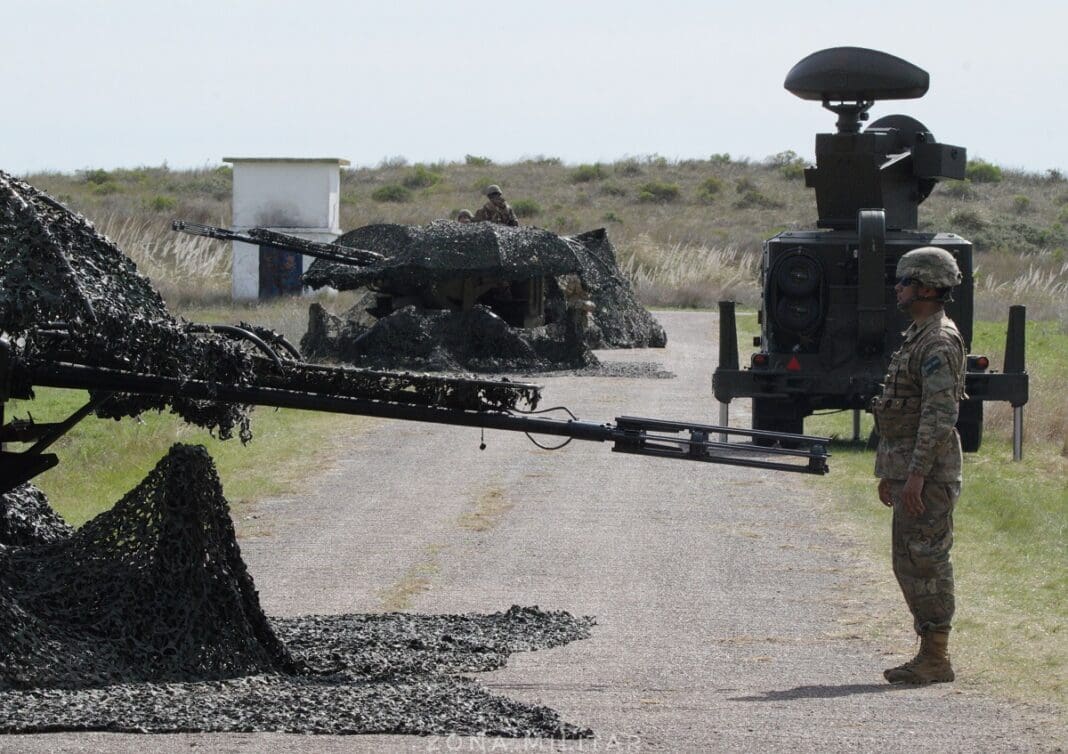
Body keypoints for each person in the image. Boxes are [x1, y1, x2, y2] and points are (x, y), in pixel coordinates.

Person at [873, 246, 966, 685]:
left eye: (906, 281)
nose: (898, 287)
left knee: (927, 561)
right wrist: (891, 471)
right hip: (912, 472)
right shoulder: (919, 335)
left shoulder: (939, 342)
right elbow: (899, 412)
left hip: (928, 476)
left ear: (927, 287)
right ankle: (929, 653)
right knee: (908, 560)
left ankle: (936, 657)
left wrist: (915, 475)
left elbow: (939, 415)